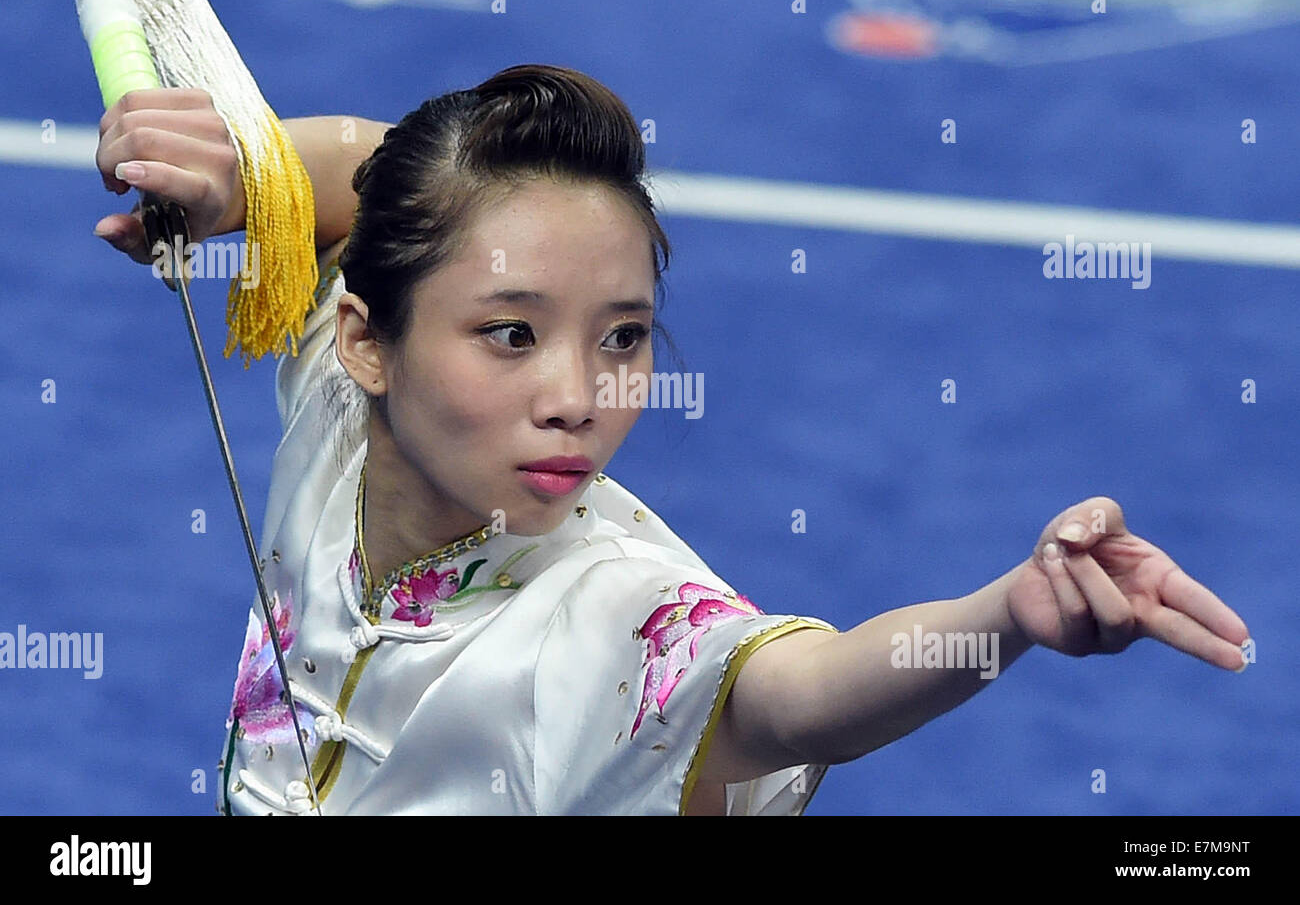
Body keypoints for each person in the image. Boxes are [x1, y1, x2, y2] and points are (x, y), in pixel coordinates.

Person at [92, 64, 1252, 816]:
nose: (580, 396)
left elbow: (805, 695)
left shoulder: (622, 622)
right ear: (365, 340)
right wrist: (245, 170)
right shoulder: (338, 401)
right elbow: (389, 179)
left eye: (623, 338)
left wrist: (1004, 619)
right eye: (511, 335)